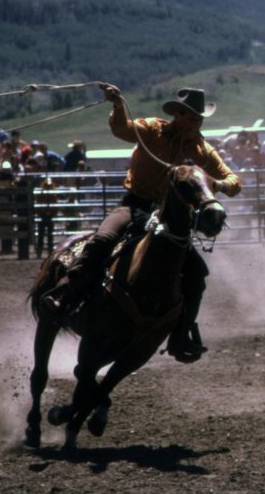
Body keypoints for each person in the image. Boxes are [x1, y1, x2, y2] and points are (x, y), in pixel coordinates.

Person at [43, 84, 242, 363]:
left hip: (169, 220)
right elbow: (122, 128)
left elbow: (234, 181)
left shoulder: (202, 150)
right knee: (102, 240)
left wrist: (217, 184)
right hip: (134, 205)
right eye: (192, 117)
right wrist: (117, 104)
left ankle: (181, 333)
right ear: (178, 114)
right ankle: (66, 295)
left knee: (196, 274)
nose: (196, 122)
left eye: (199, 119)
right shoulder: (152, 129)